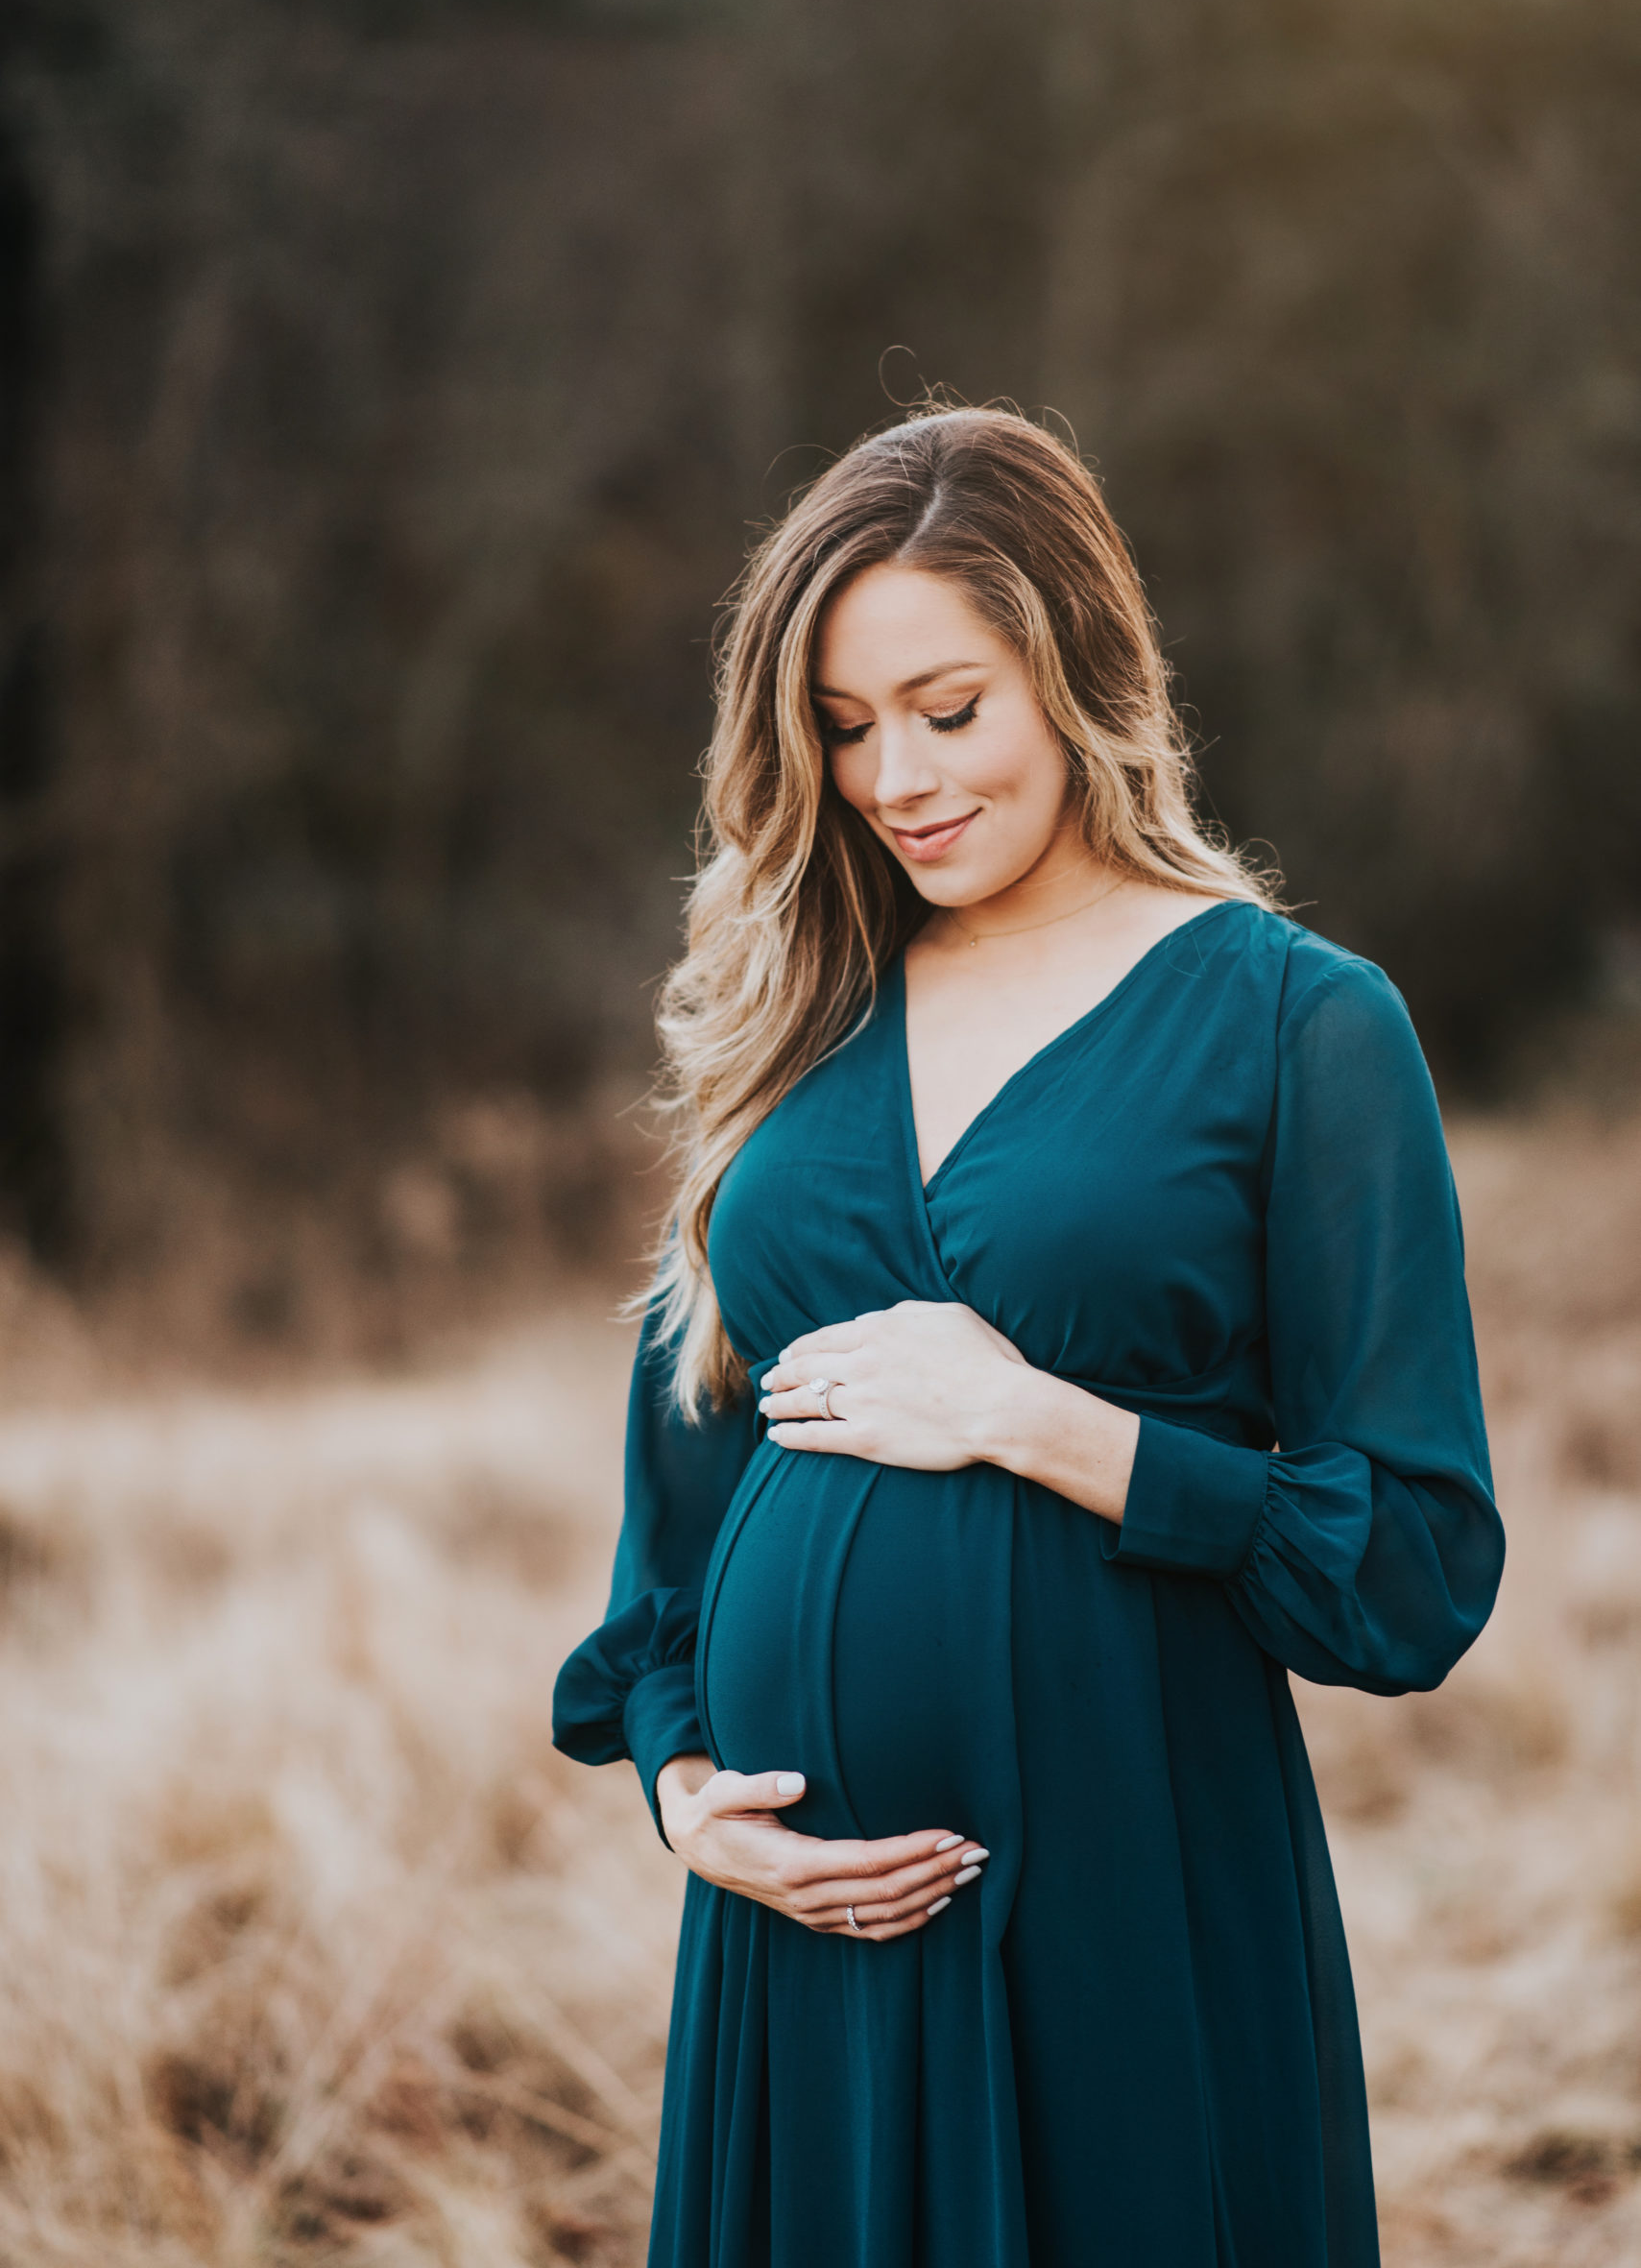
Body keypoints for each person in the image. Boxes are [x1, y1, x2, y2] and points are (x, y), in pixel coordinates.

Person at [553, 405, 1505, 2268]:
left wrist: (1043, 1421)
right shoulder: (797, 1015)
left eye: (948, 704)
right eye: (843, 722)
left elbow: (1408, 1559)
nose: (894, 772)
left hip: (1118, 1881)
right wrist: (689, 1798)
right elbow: (680, 1513)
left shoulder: (1299, 1025)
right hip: (796, 1939)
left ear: (1081, 668)